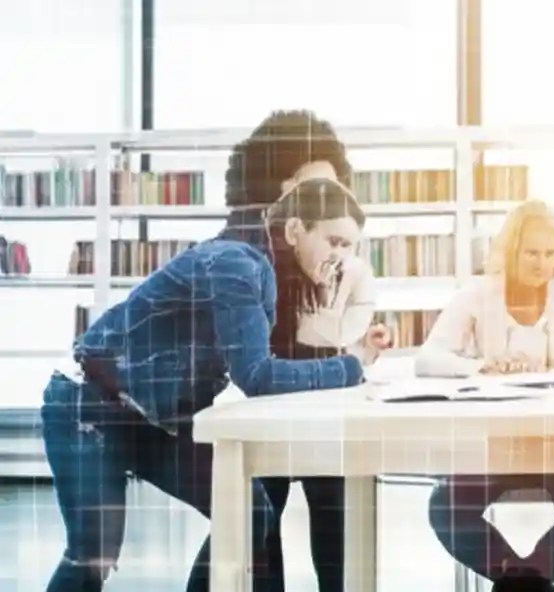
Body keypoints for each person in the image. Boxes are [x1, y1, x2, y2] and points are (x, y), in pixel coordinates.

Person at [40, 178, 379, 592]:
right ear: (294, 231)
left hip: (151, 417)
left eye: (350, 247)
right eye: (336, 242)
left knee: (251, 513)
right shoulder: (238, 264)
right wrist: (353, 364)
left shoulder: (261, 268)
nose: (342, 257)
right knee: (93, 556)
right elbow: (257, 376)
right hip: (88, 405)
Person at [414, 200, 554, 592]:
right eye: (532, 252)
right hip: (491, 445)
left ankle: (522, 583)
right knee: (446, 508)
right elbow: (427, 359)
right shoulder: (478, 293)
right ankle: (526, 580)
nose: (542, 263)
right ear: (511, 251)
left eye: (550, 253)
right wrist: (479, 367)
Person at [222, 109, 388, 592]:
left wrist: (358, 341)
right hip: (271, 401)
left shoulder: (338, 256)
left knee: (337, 518)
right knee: (260, 524)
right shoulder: (248, 257)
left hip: (329, 402)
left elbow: (352, 315)